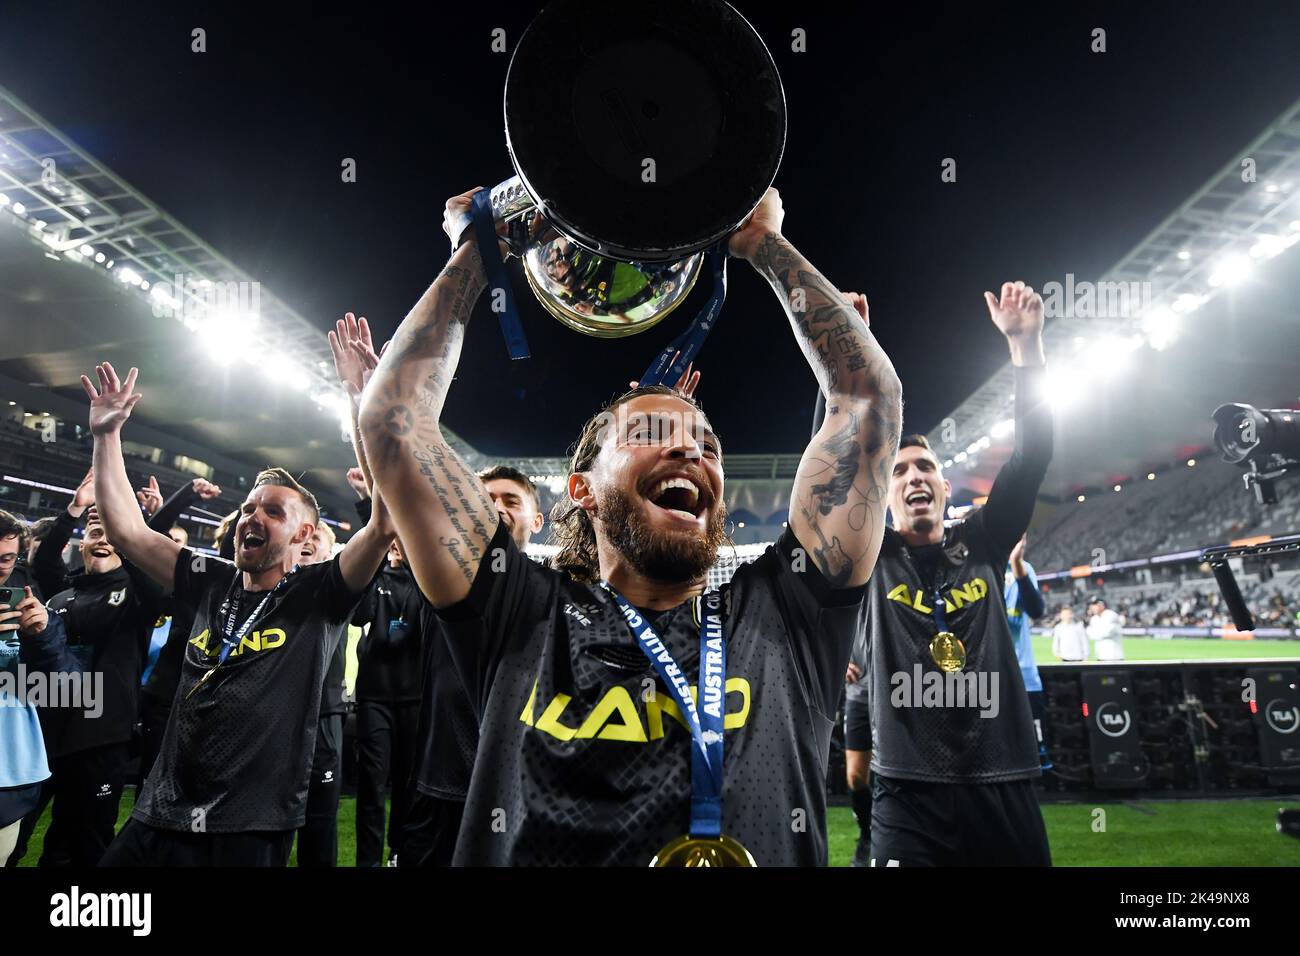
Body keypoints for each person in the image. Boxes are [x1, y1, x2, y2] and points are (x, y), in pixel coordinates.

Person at [359, 185, 902, 865]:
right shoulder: (516, 608)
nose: (688, 450)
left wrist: (763, 243)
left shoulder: (785, 609)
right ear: (582, 489)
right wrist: (481, 246)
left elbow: (866, 399)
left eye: (706, 444)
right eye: (652, 432)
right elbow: (395, 423)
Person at [78, 361, 395, 866]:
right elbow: (128, 533)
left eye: (274, 512)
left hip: (250, 824)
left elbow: (384, 521)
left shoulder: (321, 593)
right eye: (250, 508)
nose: (253, 517)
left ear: (304, 536)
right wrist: (107, 433)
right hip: (159, 810)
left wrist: (367, 408)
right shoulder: (209, 577)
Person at [861, 280, 1054, 867]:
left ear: (946, 488)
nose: (914, 476)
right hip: (905, 790)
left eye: (926, 467)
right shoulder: (872, 553)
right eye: (899, 471)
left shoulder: (987, 539)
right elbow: (837, 467)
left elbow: (1032, 454)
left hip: (1002, 781)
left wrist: (1027, 350)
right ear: (883, 491)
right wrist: (850, 353)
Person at [16, 469, 163, 867]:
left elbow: (155, 575)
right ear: (81, 544)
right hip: (45, 734)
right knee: (15, 837)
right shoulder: (64, 592)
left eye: (111, 536)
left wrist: (133, 530)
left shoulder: (137, 595)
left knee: (82, 846)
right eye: (94, 533)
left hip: (100, 740)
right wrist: (75, 509)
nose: (102, 540)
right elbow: (44, 558)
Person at [0, 510, 74, 867]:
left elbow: (64, 689)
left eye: (7, 558)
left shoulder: (35, 613)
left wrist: (41, 638)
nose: (1, 567)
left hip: (10, 772)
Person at [296, 520, 347, 867]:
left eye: (316, 538)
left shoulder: (341, 591)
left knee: (320, 821)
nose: (308, 541)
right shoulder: (270, 586)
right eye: (303, 536)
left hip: (324, 716)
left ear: (330, 553)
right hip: (275, 715)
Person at [1004, 535, 1050, 771]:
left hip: (1023, 675)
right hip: (984, 679)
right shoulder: (972, 567)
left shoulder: (1022, 569)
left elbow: (1036, 610)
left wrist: (1016, 564)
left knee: (1032, 752)